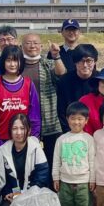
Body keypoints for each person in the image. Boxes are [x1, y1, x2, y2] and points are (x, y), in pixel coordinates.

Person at [53, 102, 97, 206]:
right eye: (73, 118)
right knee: (67, 205)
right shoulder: (61, 139)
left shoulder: (89, 139)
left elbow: (92, 161)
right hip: (65, 180)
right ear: (67, 119)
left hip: (83, 181)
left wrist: (92, 179)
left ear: (86, 120)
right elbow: (56, 161)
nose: (76, 122)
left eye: (80, 118)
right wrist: (56, 178)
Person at [21, 32, 66, 160]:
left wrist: (56, 56)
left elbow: (61, 74)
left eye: (35, 43)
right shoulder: (17, 66)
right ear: (21, 46)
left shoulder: (47, 63)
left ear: (41, 46)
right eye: (28, 43)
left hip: (50, 121)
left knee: (53, 158)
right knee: (28, 159)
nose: (32, 46)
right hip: (26, 120)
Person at [0, 45, 40, 146]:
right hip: (1, 141)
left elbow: (34, 115)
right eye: (8, 60)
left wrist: (34, 138)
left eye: (15, 60)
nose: (12, 64)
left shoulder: (28, 84)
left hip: (24, 139)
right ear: (3, 62)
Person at [0, 113, 50, 206]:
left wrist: (26, 194)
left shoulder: (36, 149)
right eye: (14, 129)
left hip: (34, 194)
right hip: (13, 195)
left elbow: (41, 177)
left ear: (29, 130)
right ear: (10, 130)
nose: (18, 132)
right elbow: (3, 178)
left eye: (22, 128)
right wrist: (9, 193)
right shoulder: (3, 150)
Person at [56, 44, 99, 119]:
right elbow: (62, 111)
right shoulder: (64, 81)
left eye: (89, 61)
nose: (85, 65)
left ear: (95, 61)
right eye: (81, 61)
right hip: (73, 125)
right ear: (75, 62)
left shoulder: (101, 80)